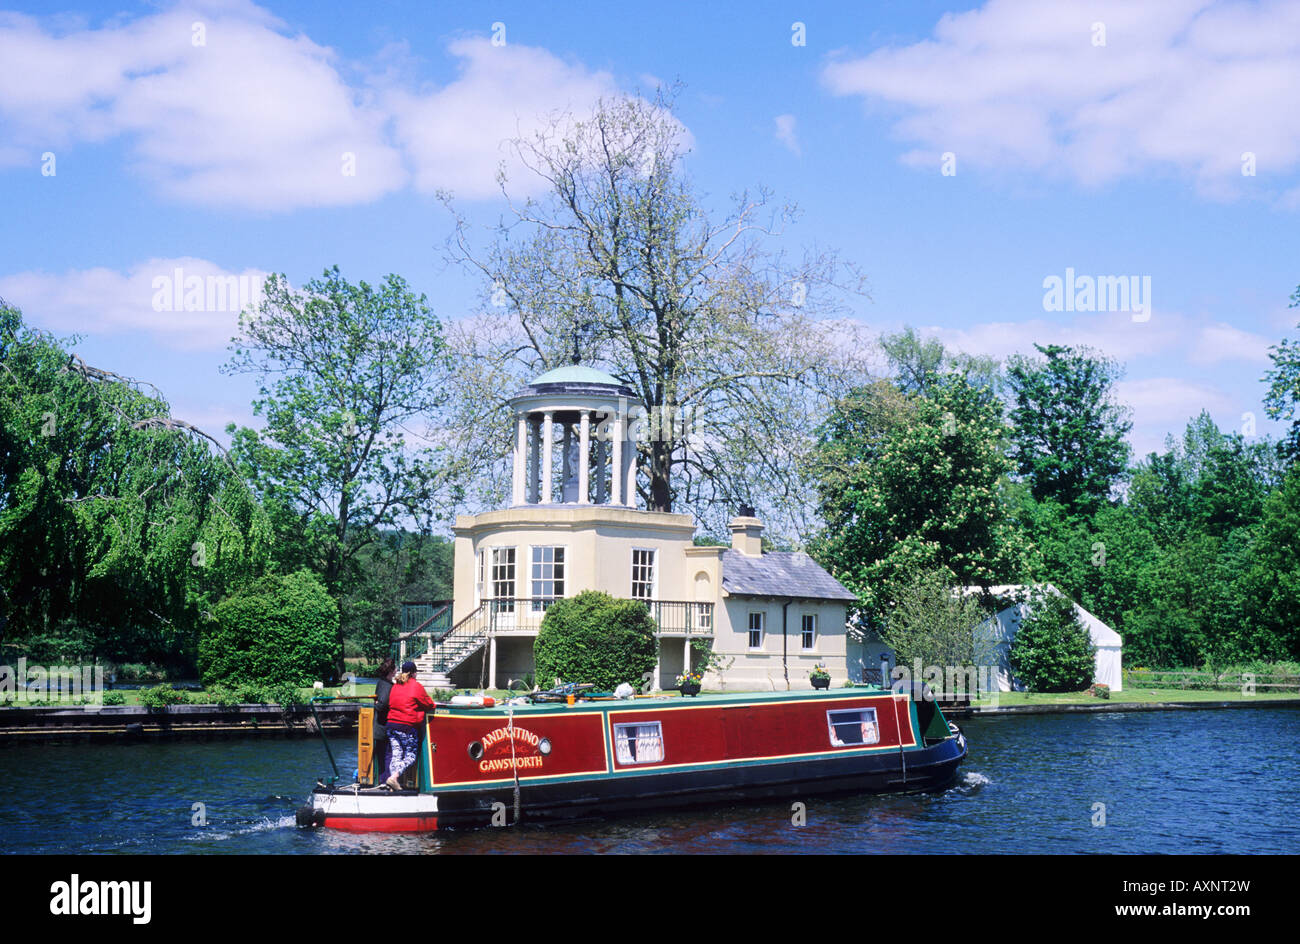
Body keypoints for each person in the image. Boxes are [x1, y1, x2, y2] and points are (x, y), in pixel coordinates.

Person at [385, 661, 434, 791]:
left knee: (396, 754)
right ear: (414, 673)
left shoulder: (396, 685)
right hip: (406, 726)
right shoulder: (415, 686)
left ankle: (392, 784)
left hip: (391, 725)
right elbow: (428, 704)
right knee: (411, 756)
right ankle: (394, 777)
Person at [372, 657, 396, 784]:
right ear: (391, 671)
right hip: (383, 727)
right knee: (387, 754)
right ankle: (385, 781)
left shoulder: (381, 683)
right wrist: (376, 704)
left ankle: (382, 780)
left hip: (379, 726)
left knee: (382, 754)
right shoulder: (386, 686)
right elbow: (382, 704)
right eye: (395, 668)